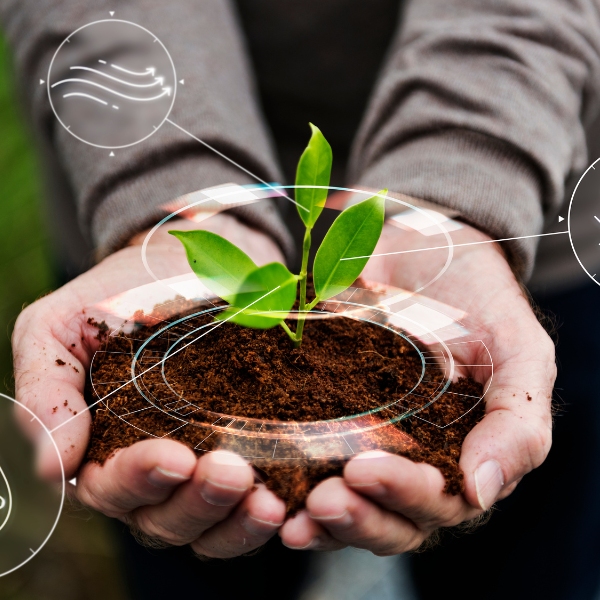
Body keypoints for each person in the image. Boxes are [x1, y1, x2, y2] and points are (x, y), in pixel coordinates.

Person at [2, 0, 599, 598]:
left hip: (520, 190)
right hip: (132, 192)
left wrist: (463, 181)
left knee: (524, 555)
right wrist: (167, 179)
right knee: (192, 542)